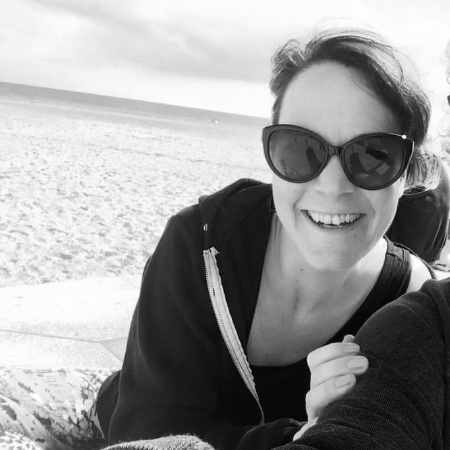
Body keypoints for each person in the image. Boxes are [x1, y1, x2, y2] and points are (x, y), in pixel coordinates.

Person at [96, 28, 440, 450]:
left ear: (408, 173)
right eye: (300, 149)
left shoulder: (415, 306)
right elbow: (144, 435)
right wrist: (301, 437)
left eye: (373, 155)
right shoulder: (199, 248)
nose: (332, 186)